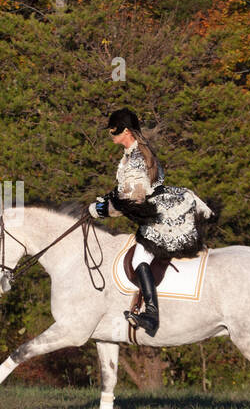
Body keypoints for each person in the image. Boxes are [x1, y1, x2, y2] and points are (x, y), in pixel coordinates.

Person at [89, 109, 217, 336]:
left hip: (160, 213)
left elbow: (133, 199)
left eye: (112, 130)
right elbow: (124, 190)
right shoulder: (134, 152)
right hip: (161, 203)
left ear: (125, 131)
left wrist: (101, 210)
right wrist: (108, 197)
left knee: (140, 257)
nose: (110, 134)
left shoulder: (136, 157)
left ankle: (151, 314)